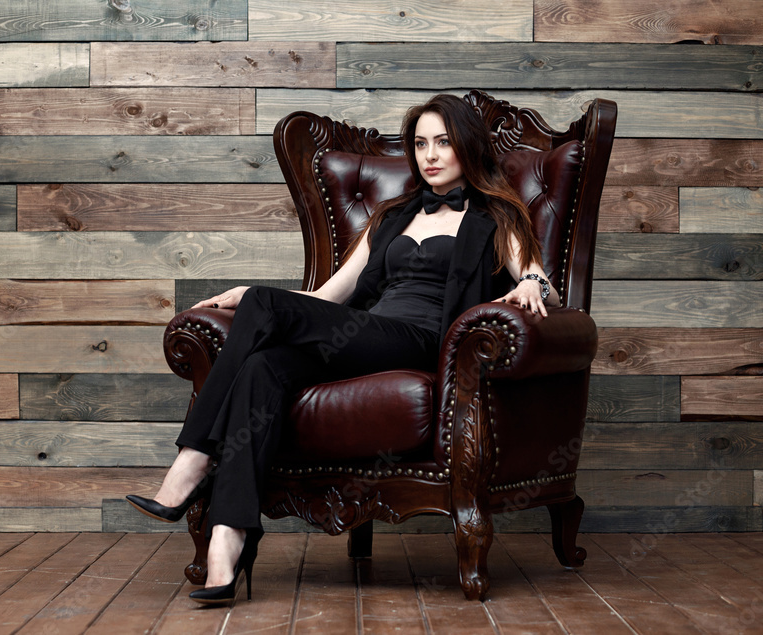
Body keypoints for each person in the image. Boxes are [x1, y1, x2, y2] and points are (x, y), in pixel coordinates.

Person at [127, 94, 559, 606]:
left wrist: (531, 281)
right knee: (263, 366)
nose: (430, 155)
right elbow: (329, 297)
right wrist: (251, 299)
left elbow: (542, 282)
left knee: (263, 308)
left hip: (422, 343)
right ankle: (230, 536)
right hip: (365, 332)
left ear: (467, 145)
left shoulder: (496, 216)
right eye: (420, 143)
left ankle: (194, 459)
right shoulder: (392, 215)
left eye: (443, 142)